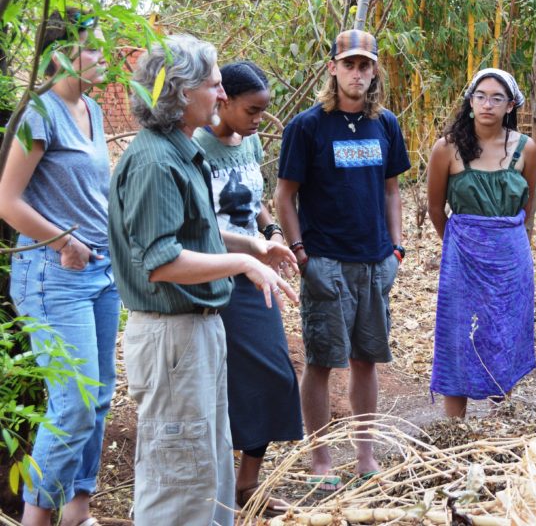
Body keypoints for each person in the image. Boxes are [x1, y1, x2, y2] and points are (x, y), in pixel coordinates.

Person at [108, 34, 298, 525]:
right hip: (173, 337)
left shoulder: (181, 151)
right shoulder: (154, 160)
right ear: (179, 91)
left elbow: (200, 231)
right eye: (213, 85)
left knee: (205, 475)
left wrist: (254, 245)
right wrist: (242, 265)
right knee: (179, 483)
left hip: (197, 331)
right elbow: (161, 260)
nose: (221, 94)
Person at [275, 29, 410, 489]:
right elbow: (284, 195)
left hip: (374, 261)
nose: (357, 73)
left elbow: (392, 190)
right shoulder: (307, 127)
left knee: (366, 360)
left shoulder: (385, 124)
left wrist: (396, 248)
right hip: (325, 261)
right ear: (332, 68)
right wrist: (301, 253)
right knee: (320, 360)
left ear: (374, 71)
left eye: (365, 65)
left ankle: (365, 455)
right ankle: (320, 460)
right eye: (349, 64)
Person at [0, 9, 116, 526]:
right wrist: (64, 242)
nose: (101, 56)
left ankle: (77, 512)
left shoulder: (92, 107)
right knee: (72, 403)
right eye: (91, 47)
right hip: (52, 275)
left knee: (98, 398)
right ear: (60, 53)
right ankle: (35, 520)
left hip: (102, 271)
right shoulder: (38, 113)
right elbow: (7, 199)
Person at [191, 60, 303, 515]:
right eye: (252, 110)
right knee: (229, 383)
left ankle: (247, 484)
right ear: (225, 100)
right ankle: (217, 490)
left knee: (276, 374)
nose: (258, 120)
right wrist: (257, 246)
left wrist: (272, 231)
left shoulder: (250, 141)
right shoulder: (195, 147)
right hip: (217, 277)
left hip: (258, 272)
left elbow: (254, 202)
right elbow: (203, 225)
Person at [425, 68, 536, 419]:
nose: (487, 104)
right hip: (462, 256)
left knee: (504, 327)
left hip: (511, 256)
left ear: (510, 106)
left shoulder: (526, 148)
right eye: (481, 96)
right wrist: (460, 244)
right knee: (459, 331)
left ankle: (497, 418)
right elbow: (434, 207)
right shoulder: (447, 148)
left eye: (497, 98)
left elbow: (528, 206)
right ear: (470, 101)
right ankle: (453, 426)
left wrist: (508, 245)